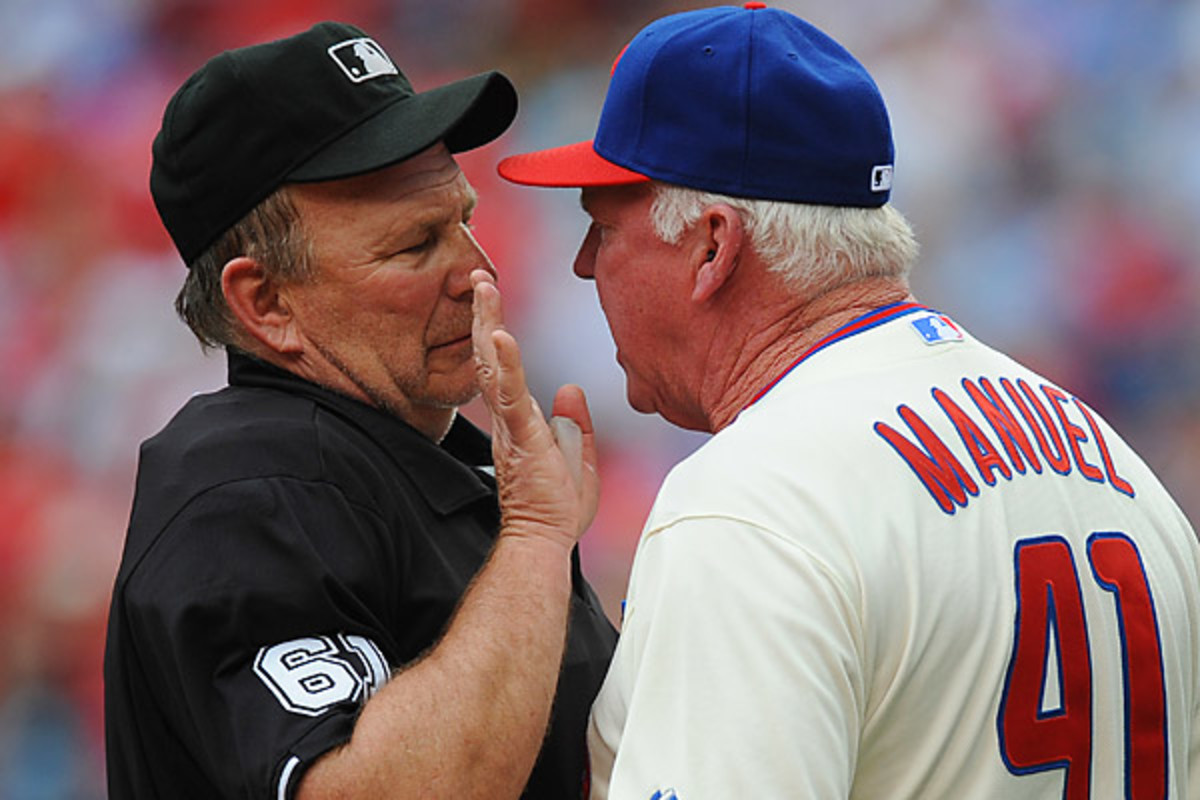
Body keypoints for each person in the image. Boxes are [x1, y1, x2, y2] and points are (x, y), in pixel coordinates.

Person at [496, 4, 1200, 798]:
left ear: (713, 247)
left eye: (605, 229)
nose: (586, 265)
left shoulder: (752, 503)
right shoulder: (1113, 460)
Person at [103, 21, 617, 800]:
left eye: (464, 222)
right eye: (414, 246)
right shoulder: (246, 490)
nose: (477, 274)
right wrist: (538, 542)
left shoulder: (436, 457)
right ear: (266, 302)